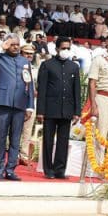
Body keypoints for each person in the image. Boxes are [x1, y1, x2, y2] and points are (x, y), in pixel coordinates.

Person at [0, 33, 35, 181]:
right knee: (0, 138)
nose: (15, 47)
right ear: (6, 45)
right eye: (12, 44)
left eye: (17, 44)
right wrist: (0, 48)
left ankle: (10, 169)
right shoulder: (0, 57)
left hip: (20, 104)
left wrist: (30, 106)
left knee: (15, 139)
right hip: (2, 103)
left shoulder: (25, 61)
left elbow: (29, 84)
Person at [36, 37, 81, 179]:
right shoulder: (47, 65)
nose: (65, 51)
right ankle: (48, 169)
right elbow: (42, 89)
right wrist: (40, 111)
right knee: (48, 140)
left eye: (68, 48)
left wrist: (77, 112)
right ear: (56, 49)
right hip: (50, 109)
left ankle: (60, 169)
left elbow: (77, 91)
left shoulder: (74, 67)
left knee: (63, 141)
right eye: (63, 48)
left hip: (67, 109)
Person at [18, 44, 39, 166]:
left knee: (27, 130)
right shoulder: (17, 67)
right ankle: (14, 154)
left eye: (31, 53)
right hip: (18, 101)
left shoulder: (35, 69)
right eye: (26, 53)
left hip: (32, 102)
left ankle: (24, 155)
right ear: (21, 53)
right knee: (16, 129)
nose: (29, 55)